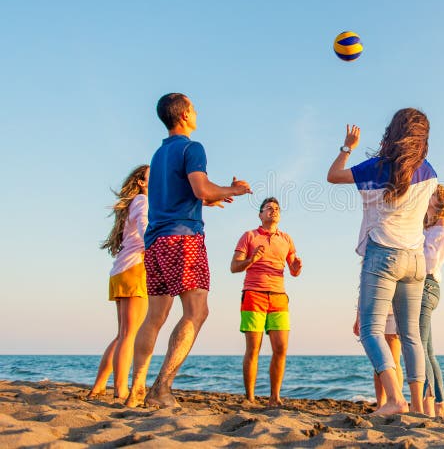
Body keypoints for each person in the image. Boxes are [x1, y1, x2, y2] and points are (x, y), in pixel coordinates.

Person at [126, 93, 251, 408]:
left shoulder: (158, 154)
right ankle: (162, 388)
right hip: (183, 239)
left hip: (155, 242)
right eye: (193, 107)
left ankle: (135, 391)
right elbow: (201, 188)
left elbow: (186, 195)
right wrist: (233, 189)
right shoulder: (193, 147)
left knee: (154, 317)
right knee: (197, 312)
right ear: (183, 115)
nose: (197, 112)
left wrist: (211, 199)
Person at [327, 108, 437, 415]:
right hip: (416, 259)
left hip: (384, 254)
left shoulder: (376, 167)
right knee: (411, 334)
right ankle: (417, 406)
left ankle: (394, 399)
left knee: (370, 331)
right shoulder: (430, 172)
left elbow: (333, 176)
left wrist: (347, 146)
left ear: (393, 132)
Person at [230, 197, 302, 406]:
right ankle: (250, 398)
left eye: (277, 208)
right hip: (254, 294)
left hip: (279, 296)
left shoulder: (286, 239)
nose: (273, 211)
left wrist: (297, 266)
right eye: (268, 208)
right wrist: (251, 260)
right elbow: (234, 267)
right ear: (260, 215)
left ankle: (274, 397)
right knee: (253, 348)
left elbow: (294, 271)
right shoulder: (249, 236)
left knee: (281, 348)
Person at [88, 165, 150, 401]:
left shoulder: (134, 202)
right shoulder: (143, 201)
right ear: (142, 182)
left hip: (121, 270)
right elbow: (146, 230)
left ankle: (99, 386)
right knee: (129, 334)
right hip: (135, 269)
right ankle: (121, 389)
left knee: (123, 333)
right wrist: (156, 245)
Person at [419, 184, 444, 418]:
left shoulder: (441, 227)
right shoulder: (429, 226)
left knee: (419, 348)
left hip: (426, 285)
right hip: (428, 286)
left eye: (435, 195)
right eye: (432, 194)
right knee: (429, 351)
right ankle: (441, 404)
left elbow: (429, 261)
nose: (432, 197)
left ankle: (428, 401)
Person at [352, 310, 404, 408]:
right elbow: (362, 294)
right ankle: (381, 405)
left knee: (394, 360)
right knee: (379, 361)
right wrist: (358, 316)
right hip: (374, 309)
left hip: (393, 309)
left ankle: (396, 401)